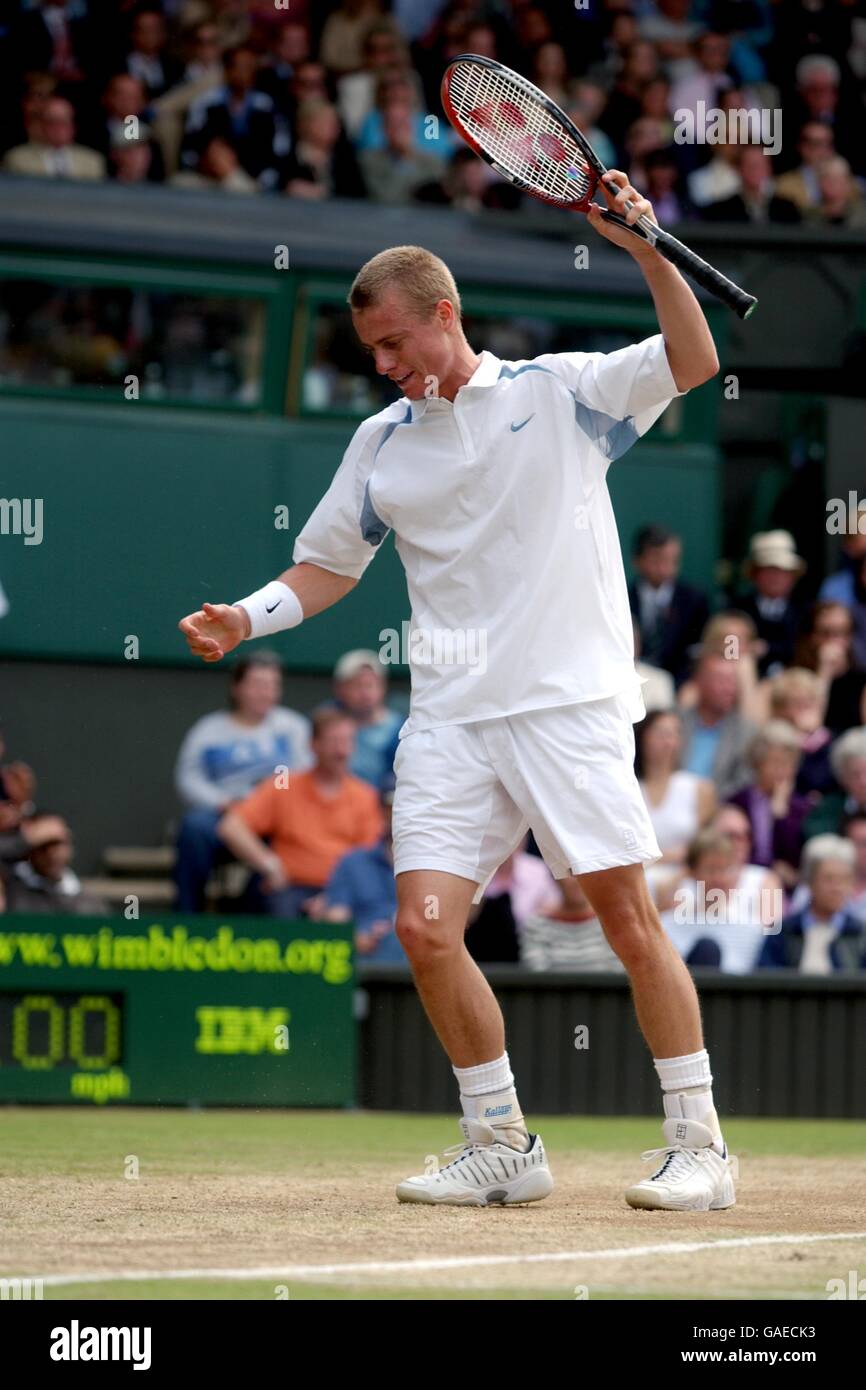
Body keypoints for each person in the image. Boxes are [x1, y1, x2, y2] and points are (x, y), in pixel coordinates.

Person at [179, 177, 734, 1215]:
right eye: (371, 355)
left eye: (394, 345)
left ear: (445, 314)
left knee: (624, 919)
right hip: (449, 718)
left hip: (565, 706)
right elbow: (326, 567)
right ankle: (498, 1143)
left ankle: (698, 1143)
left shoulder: (560, 388)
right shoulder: (379, 443)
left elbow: (693, 361)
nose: (385, 368)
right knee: (426, 926)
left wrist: (647, 250)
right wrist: (243, 617)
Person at [173, 652, 311, 911]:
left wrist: (270, 804)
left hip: (274, 819)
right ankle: (187, 919)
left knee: (289, 841)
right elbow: (188, 777)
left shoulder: (293, 728)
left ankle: (251, 921)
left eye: (272, 685)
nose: (265, 693)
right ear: (237, 688)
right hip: (224, 814)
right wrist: (221, 801)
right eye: (258, 685)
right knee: (193, 829)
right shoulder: (208, 730)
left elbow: (304, 774)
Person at [216, 709, 383, 919]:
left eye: (347, 741)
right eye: (333, 742)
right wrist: (269, 864)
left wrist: (334, 896)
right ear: (313, 745)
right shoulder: (285, 783)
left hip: (341, 893)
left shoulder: (365, 795)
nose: (342, 751)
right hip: (288, 888)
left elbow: (366, 860)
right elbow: (231, 826)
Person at [319, 777, 404, 961]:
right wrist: (354, 937)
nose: (399, 813)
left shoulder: (430, 865)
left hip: (415, 948)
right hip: (367, 954)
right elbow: (336, 915)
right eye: (391, 806)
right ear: (381, 811)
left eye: (405, 806)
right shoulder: (353, 862)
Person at [759, 836, 865, 972]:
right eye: (829, 879)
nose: (837, 888)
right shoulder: (785, 932)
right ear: (809, 881)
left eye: (844, 879)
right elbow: (766, 978)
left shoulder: (860, 934)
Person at [627, 524, 709, 686]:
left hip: (680, 685)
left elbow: (697, 651)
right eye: (657, 559)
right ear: (637, 561)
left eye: (673, 560)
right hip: (633, 682)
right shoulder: (622, 599)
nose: (665, 568)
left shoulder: (694, 601)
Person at [329, 650, 404, 791]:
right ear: (340, 688)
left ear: (383, 687)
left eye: (370, 685)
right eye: (357, 685)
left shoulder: (398, 728)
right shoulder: (325, 721)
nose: (365, 693)